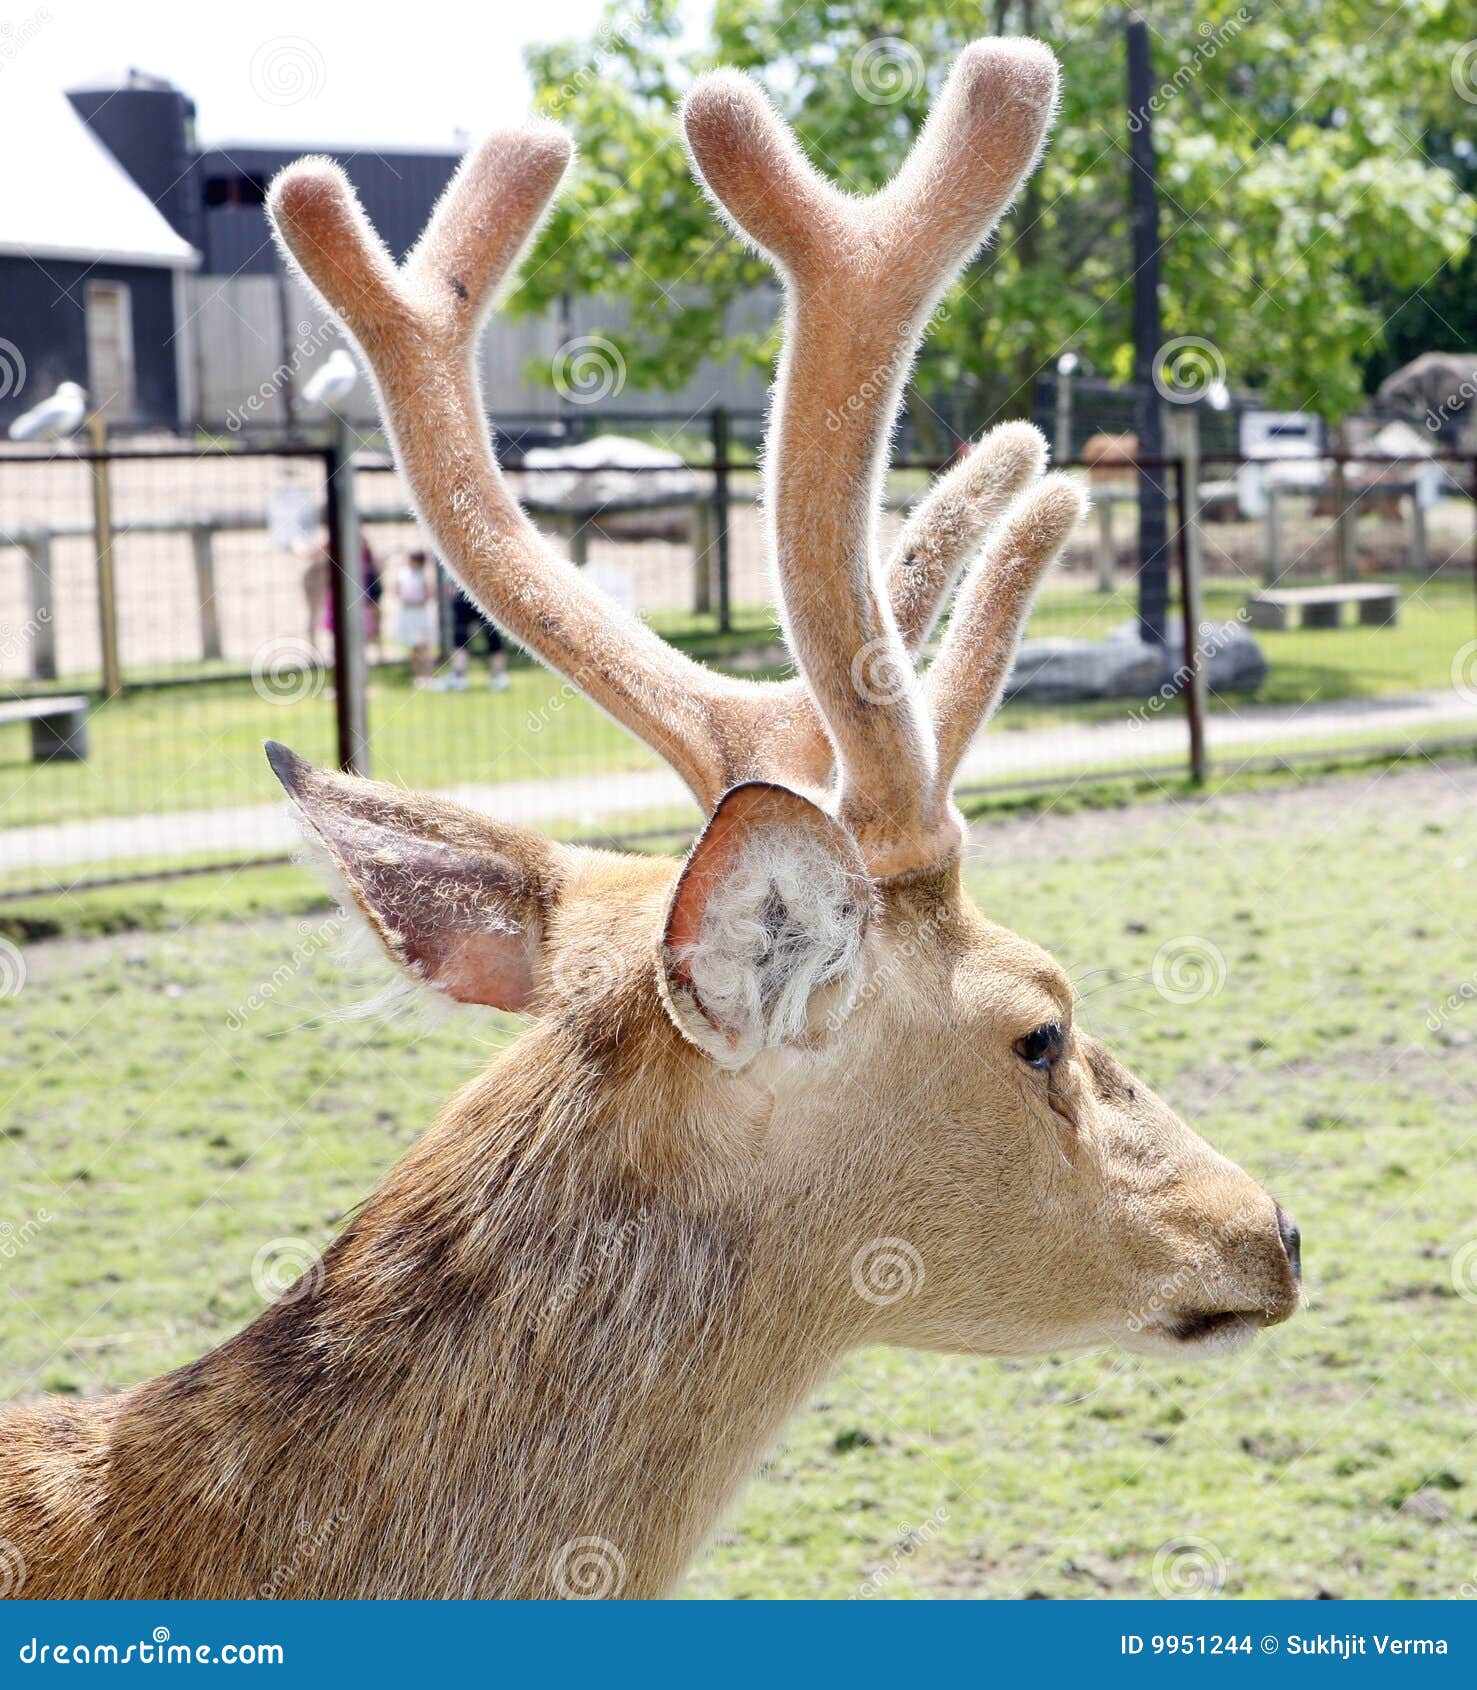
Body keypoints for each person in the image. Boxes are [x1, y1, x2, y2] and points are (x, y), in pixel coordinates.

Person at [441, 586, 510, 692]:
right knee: (460, 636)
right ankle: (458, 677)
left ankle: (498, 676)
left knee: (492, 635)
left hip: (484, 594)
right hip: (465, 594)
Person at [396, 549, 436, 686]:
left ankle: (428, 676)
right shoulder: (403, 575)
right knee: (414, 647)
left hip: (421, 614)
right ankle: (417, 676)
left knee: (425, 646)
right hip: (409, 614)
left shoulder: (424, 576)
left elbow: (430, 594)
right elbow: (397, 591)